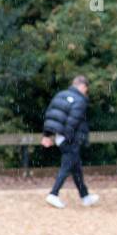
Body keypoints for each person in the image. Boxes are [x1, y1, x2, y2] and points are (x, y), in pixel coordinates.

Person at [40, 75, 99, 209]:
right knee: (66, 167)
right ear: (83, 87)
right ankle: (53, 194)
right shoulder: (80, 101)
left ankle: (85, 197)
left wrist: (47, 135)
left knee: (76, 168)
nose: (86, 93)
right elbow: (73, 122)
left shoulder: (60, 95)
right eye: (86, 90)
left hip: (61, 137)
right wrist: (70, 139)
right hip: (70, 138)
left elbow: (51, 115)